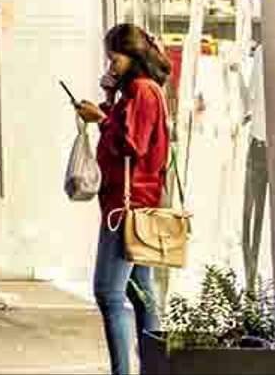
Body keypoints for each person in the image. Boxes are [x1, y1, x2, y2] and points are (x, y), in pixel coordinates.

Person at [78, 22, 175, 375]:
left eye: (115, 58)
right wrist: (109, 100)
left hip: (128, 208)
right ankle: (153, 368)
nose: (111, 65)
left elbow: (130, 143)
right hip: (136, 204)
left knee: (108, 292)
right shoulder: (138, 91)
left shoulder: (142, 90)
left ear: (132, 55)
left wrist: (101, 117)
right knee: (141, 291)